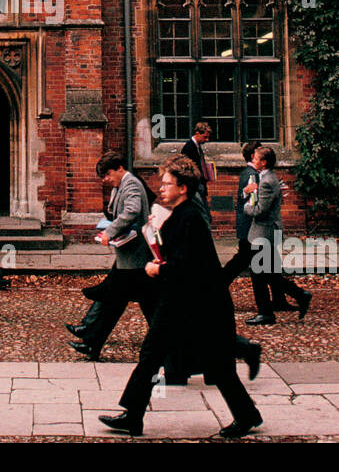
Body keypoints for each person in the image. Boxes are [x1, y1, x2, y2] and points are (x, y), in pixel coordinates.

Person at [98, 154, 262, 439]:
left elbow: (189, 266)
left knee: (217, 364)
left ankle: (246, 415)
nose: (161, 189)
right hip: (182, 301)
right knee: (152, 355)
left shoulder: (190, 218)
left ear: (183, 187)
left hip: (198, 304)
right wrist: (155, 231)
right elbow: (175, 253)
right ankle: (133, 415)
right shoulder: (180, 215)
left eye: (166, 184)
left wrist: (156, 269)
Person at [65, 151, 156, 360]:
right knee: (117, 301)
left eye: (107, 175)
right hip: (130, 256)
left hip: (136, 257)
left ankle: (90, 333)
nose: (106, 180)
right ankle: (91, 338)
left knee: (142, 305)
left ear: (119, 169)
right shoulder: (120, 186)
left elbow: (131, 212)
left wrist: (109, 231)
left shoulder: (131, 184)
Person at [243, 146, 312, 325]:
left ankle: (268, 312)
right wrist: (248, 192)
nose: (253, 160)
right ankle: (296, 296)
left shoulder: (267, 181)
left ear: (264, 162)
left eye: (256, 158)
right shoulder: (265, 178)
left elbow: (260, 211)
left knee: (260, 274)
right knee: (266, 273)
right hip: (265, 231)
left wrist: (245, 207)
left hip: (264, 232)